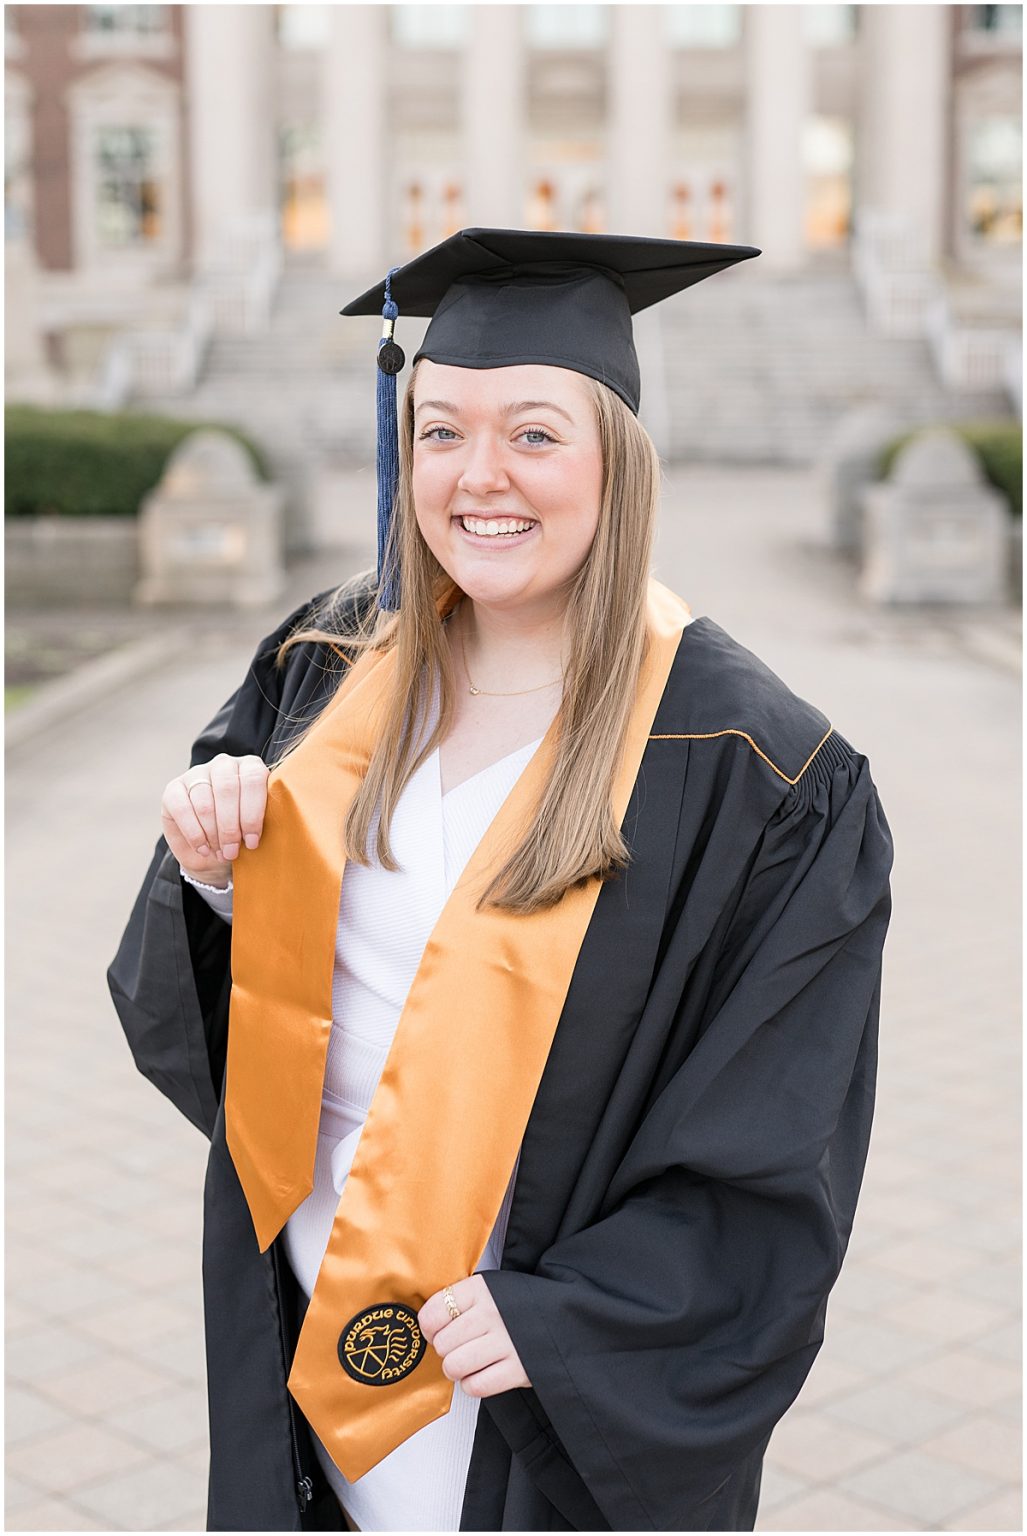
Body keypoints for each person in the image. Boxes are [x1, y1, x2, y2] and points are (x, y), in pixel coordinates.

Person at [108, 228, 895, 1534]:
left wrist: (575, 1319)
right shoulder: (322, 663)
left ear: (617, 460)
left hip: (530, 1363)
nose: (481, 478)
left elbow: (783, 1127)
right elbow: (223, 1019)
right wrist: (214, 882)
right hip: (305, 1279)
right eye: (439, 430)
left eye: (535, 434)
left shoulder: (764, 773)